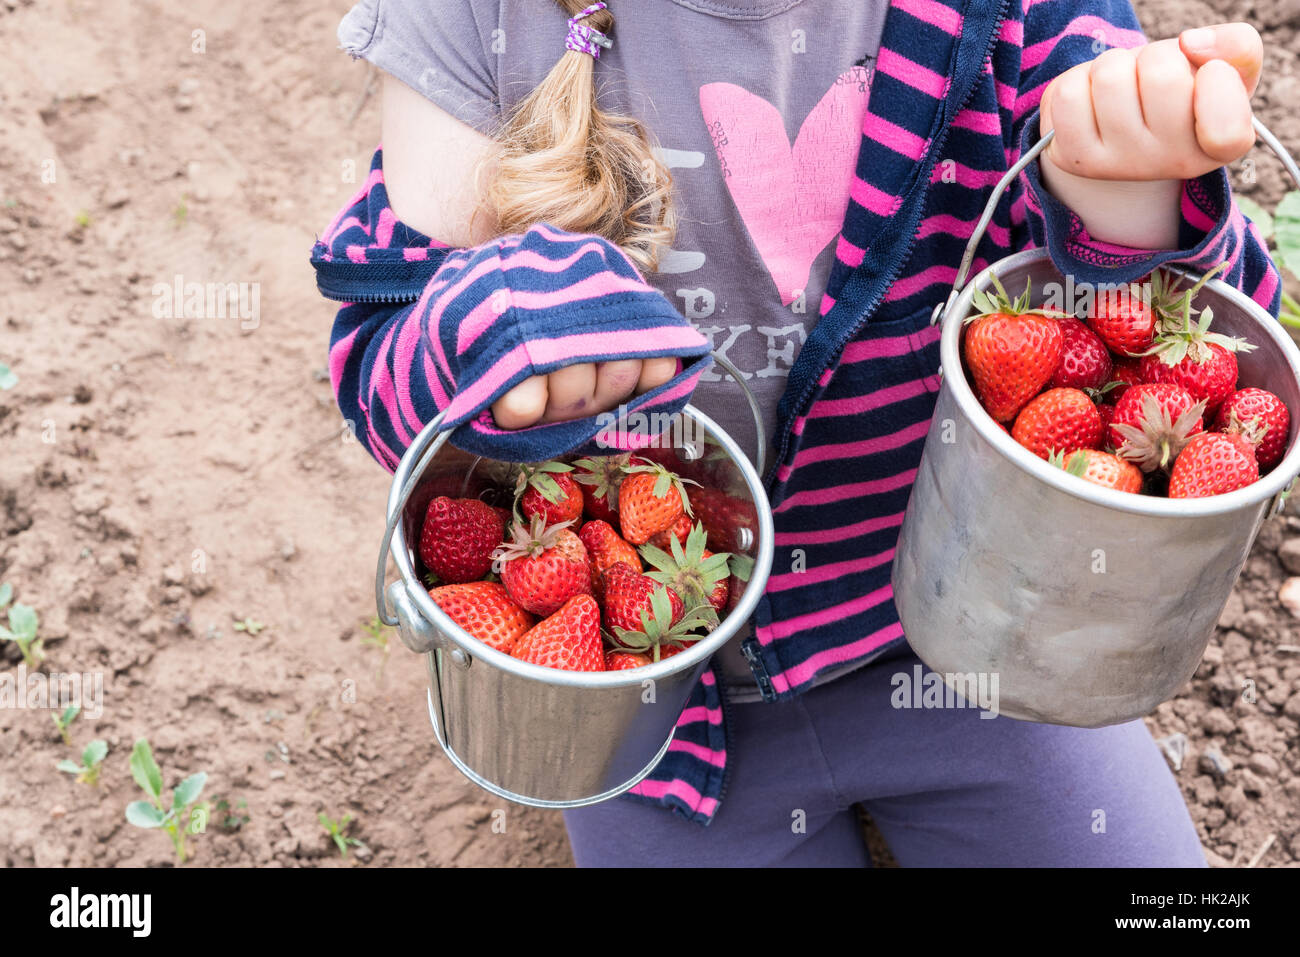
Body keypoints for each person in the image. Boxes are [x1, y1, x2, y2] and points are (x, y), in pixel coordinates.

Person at [315, 0, 1279, 866]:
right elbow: (382, 373)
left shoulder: (1018, 16)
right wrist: (479, 332)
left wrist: (1131, 201)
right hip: (652, 700)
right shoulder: (469, 22)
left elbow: (1205, 354)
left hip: (975, 645)